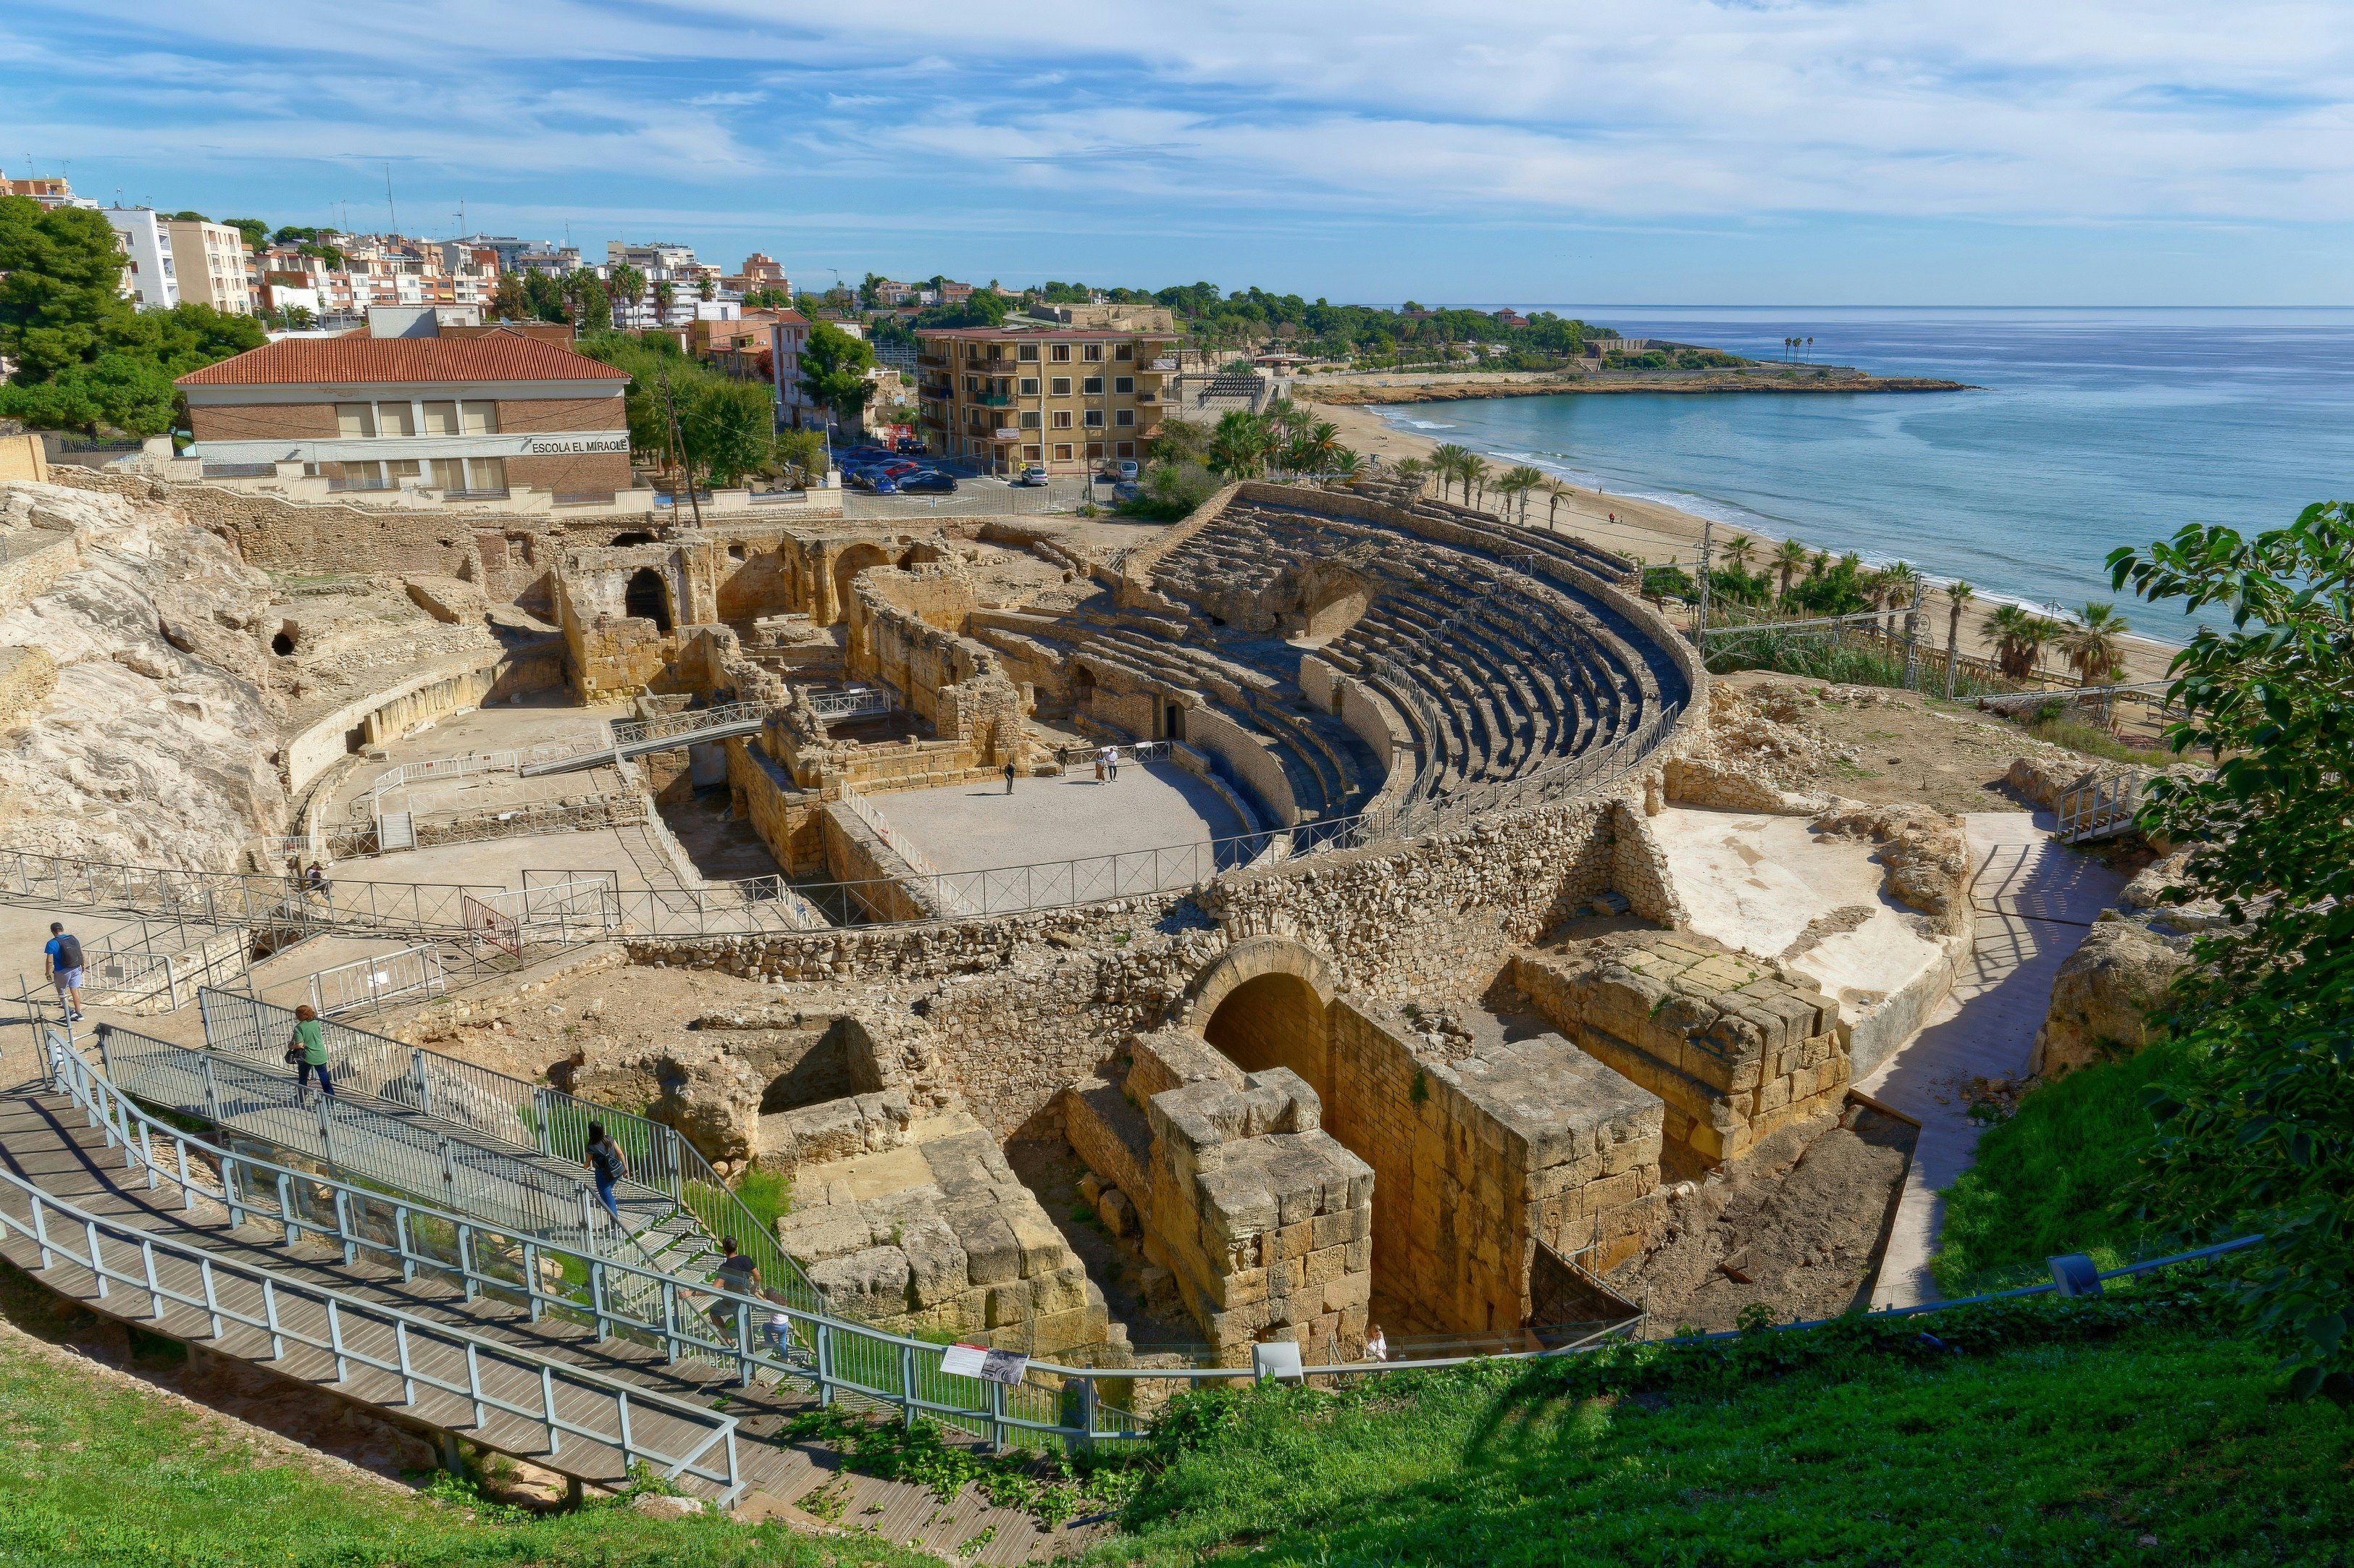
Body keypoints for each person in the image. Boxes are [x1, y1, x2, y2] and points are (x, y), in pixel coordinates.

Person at [288, 1002, 332, 1105]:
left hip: (308, 1055)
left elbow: (299, 1045)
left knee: (303, 1077)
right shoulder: (316, 1023)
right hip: (320, 1053)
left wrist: (291, 1047)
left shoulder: (299, 1028)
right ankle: (331, 1100)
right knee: (325, 1079)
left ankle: (301, 1097)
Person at [585, 1123, 627, 1224]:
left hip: (603, 1175)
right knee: (608, 1193)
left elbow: (587, 1164)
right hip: (616, 1172)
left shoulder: (592, 1146)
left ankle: (616, 1224)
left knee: (608, 1198)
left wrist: (585, 1165)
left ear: (591, 1133)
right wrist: (625, 1168)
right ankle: (614, 1221)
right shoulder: (610, 1139)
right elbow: (620, 1154)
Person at [43, 923, 85, 1023]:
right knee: (75, 990)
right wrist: (83, 965)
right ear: (62, 929)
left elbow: (49, 961)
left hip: (62, 970)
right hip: (76, 967)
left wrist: (47, 973)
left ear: (52, 931)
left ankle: (68, 1013)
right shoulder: (73, 938)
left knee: (61, 991)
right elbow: (80, 952)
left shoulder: (52, 943)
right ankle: (78, 1013)